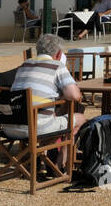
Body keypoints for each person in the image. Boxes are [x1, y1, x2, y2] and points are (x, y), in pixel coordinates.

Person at [5, 33, 84, 167]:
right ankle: (59, 165)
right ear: (59, 54)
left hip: (9, 127)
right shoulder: (57, 66)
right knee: (80, 118)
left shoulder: (24, 65)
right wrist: (60, 97)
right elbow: (75, 96)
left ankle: (40, 160)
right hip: (36, 128)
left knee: (50, 119)